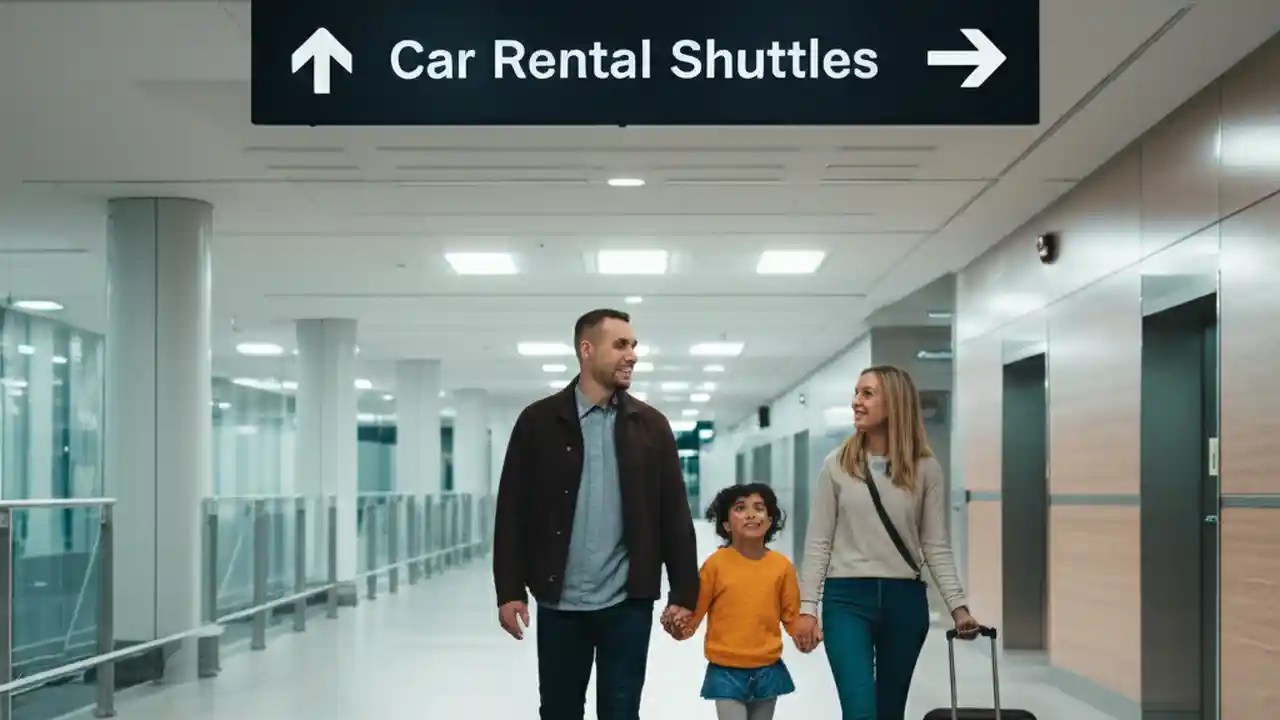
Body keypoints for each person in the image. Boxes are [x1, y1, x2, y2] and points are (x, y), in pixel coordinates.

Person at [491, 308, 700, 720]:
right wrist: (509, 589)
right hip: (560, 601)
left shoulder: (651, 426)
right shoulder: (538, 422)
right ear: (586, 350)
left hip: (627, 601)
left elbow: (674, 514)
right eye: (620, 344)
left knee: (621, 712)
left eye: (634, 345)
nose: (632, 355)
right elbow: (512, 511)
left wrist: (684, 593)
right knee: (559, 710)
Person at [792, 365, 981, 720]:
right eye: (856, 393)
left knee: (890, 712)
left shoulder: (925, 469)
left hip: (904, 601)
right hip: (846, 600)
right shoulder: (836, 466)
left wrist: (958, 607)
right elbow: (819, 542)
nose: (856, 402)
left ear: (894, 403)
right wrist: (807, 608)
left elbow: (935, 544)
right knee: (860, 710)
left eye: (867, 394)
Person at [665, 483, 808, 720]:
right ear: (726, 525)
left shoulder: (782, 567)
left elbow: (791, 616)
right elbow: (696, 613)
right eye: (740, 508)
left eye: (759, 508)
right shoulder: (716, 565)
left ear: (770, 520)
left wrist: (804, 633)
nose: (751, 514)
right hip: (726, 670)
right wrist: (681, 627)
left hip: (767, 667)